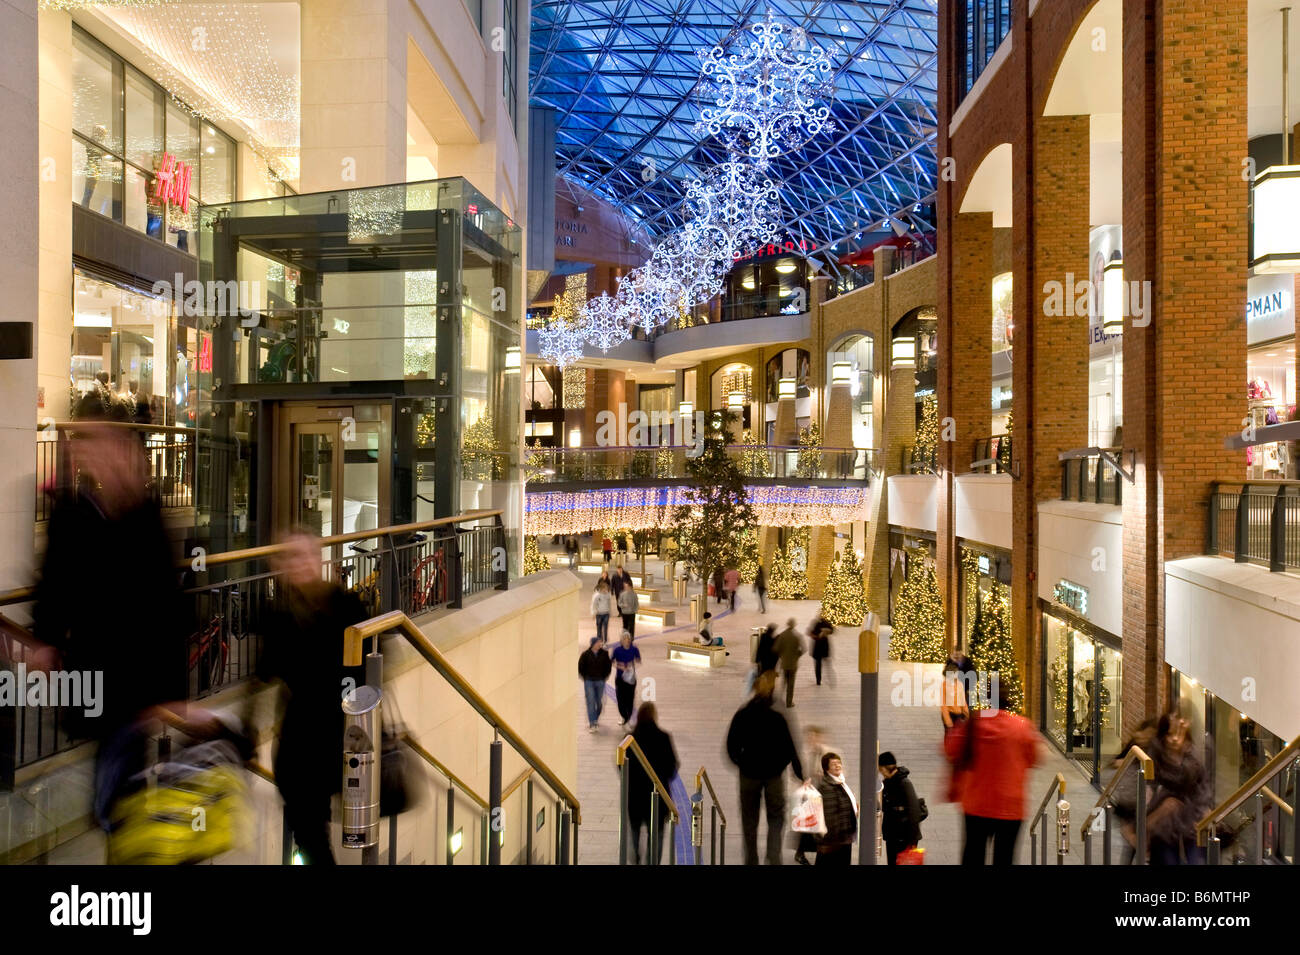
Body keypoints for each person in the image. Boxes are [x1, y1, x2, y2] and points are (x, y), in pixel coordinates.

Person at [32, 396, 192, 843]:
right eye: (81, 440)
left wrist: (174, 692)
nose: (85, 451)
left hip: (136, 686)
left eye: (95, 440)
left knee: (117, 801)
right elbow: (54, 584)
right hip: (98, 677)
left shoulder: (142, 513)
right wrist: (45, 638)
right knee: (117, 799)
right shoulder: (74, 511)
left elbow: (166, 606)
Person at [255, 531, 368, 864]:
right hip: (300, 735)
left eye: (305, 556)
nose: (299, 564)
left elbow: (372, 661)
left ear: (319, 560)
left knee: (313, 819)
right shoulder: (280, 614)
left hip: (336, 728)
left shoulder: (346, 605)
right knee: (307, 820)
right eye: (291, 558)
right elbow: (265, 673)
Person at [943, 681, 1041, 865]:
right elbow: (1034, 759)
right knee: (1005, 856)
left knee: (973, 853)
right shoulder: (1022, 726)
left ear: (986, 698)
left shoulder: (974, 724)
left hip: (976, 804)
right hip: (1011, 807)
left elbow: (950, 750)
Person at [726, 670, 804, 865]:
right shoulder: (778, 716)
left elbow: (730, 745)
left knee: (749, 820)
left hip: (748, 776)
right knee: (776, 817)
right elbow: (790, 747)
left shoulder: (743, 714)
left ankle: (751, 859)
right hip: (773, 777)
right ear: (771, 691)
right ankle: (773, 856)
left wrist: (741, 763)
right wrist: (795, 770)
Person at [1144, 704, 1212, 865]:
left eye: (1179, 733)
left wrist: (1206, 810)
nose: (1174, 738)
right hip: (1165, 825)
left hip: (1192, 822)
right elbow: (1170, 782)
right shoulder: (1157, 752)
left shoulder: (1196, 752)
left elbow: (1202, 784)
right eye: (1170, 734)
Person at [626, 702, 679, 864]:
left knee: (635, 830)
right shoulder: (663, 738)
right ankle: (652, 861)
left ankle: (635, 857)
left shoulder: (628, 740)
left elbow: (621, 766)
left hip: (635, 796)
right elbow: (672, 767)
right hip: (658, 797)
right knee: (657, 834)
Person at [879, 751, 925, 865]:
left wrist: (912, 842)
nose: (880, 772)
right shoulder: (887, 782)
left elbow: (914, 811)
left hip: (904, 837)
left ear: (885, 768)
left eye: (881, 769)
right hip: (892, 835)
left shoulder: (904, 783)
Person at [794, 725, 831, 865]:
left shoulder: (828, 753)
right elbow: (797, 773)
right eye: (809, 737)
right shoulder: (805, 754)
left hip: (824, 795)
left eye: (813, 737)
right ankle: (801, 853)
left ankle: (812, 853)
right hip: (809, 795)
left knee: (817, 827)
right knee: (807, 827)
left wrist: (824, 774)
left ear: (819, 737)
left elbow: (839, 770)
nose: (811, 740)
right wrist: (802, 781)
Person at [816, 753, 859, 865]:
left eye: (839, 763)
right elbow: (829, 815)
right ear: (826, 768)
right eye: (834, 764)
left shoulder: (839, 781)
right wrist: (830, 842)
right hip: (836, 840)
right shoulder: (826, 786)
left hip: (843, 837)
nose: (838, 766)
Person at [578, 636, 612, 733]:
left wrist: (604, 677)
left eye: (600, 643)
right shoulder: (585, 655)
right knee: (590, 701)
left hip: (600, 681)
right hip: (589, 681)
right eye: (598, 642)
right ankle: (592, 723)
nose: (600, 644)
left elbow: (608, 667)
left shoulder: (604, 654)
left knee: (599, 702)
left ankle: (595, 718)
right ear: (593, 644)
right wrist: (585, 677)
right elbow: (581, 667)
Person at [611, 631, 642, 728]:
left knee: (630, 699)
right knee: (620, 699)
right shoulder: (617, 650)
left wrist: (632, 666)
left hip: (630, 678)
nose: (627, 641)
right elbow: (612, 661)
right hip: (620, 678)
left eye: (628, 639)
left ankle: (628, 718)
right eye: (624, 639)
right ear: (621, 640)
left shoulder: (634, 649)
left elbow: (638, 661)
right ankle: (624, 716)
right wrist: (619, 667)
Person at [773, 618, 804, 708]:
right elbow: (803, 649)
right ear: (794, 625)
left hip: (785, 663)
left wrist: (782, 656)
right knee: (791, 684)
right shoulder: (797, 636)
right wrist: (797, 655)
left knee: (784, 682)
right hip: (793, 664)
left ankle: (779, 699)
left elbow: (775, 649)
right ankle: (789, 702)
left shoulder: (782, 635)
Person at [941, 655, 971, 731]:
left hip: (959, 714)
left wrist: (967, 715)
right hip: (949, 714)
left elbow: (963, 701)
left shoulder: (960, 684)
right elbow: (943, 704)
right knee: (949, 736)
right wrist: (947, 720)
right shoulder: (944, 685)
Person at [808, 617, 833, 686]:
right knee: (826, 663)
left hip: (817, 648)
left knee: (818, 665)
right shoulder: (827, 623)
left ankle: (818, 680)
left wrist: (816, 636)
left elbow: (811, 633)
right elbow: (832, 631)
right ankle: (828, 677)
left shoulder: (816, 624)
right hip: (824, 647)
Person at [590, 579, 612, 645]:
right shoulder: (596, 596)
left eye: (607, 589)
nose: (606, 590)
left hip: (606, 614)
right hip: (599, 614)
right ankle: (599, 641)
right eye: (605, 589)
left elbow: (609, 604)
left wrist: (610, 611)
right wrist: (593, 613)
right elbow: (593, 605)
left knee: (605, 628)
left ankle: (605, 642)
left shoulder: (608, 595)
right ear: (601, 589)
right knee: (599, 629)